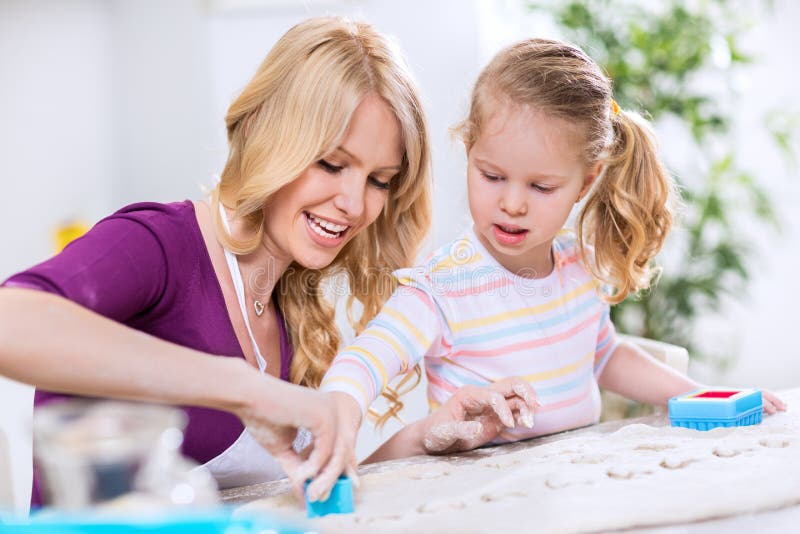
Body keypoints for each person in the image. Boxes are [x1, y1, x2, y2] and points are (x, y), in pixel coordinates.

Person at [0, 16, 434, 505]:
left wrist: (419, 441)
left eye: (379, 180)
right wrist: (239, 386)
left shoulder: (290, 308)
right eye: (331, 164)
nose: (354, 205)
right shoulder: (159, 245)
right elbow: (9, 321)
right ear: (259, 131)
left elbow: (276, 500)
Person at [320, 38, 787, 464]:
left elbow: (602, 355)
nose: (512, 203)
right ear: (468, 150)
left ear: (586, 181)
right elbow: (366, 359)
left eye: (541, 187)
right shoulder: (442, 287)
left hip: (573, 483)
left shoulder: (579, 266)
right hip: (478, 496)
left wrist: (701, 393)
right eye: (492, 176)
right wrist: (341, 406)